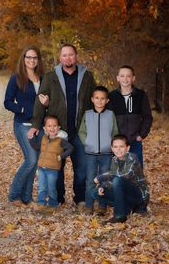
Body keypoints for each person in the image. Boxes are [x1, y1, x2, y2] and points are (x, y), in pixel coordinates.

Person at [31, 44, 96, 207]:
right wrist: (35, 125)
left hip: (80, 131)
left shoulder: (87, 76)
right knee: (56, 168)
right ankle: (58, 198)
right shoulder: (50, 76)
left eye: (71, 55)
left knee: (81, 169)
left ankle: (80, 198)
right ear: (60, 58)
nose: (68, 58)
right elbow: (40, 102)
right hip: (58, 132)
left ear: (76, 56)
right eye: (65, 55)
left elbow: (96, 101)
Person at [4, 46, 46, 206]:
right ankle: (14, 195)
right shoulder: (16, 78)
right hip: (23, 124)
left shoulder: (42, 78)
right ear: (23, 59)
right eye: (28, 57)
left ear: (38, 60)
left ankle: (27, 197)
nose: (31, 60)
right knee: (31, 159)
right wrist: (21, 108)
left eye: (35, 58)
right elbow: (7, 102)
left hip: (40, 124)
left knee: (34, 162)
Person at [79, 86, 118, 214]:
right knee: (90, 179)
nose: (99, 101)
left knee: (104, 179)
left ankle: (102, 205)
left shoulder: (110, 115)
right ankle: (89, 205)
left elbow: (114, 132)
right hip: (90, 153)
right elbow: (82, 132)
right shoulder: (87, 114)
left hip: (106, 153)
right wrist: (87, 142)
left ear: (107, 101)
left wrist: (112, 146)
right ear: (92, 99)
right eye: (97, 98)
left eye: (102, 98)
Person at [92, 134, 149, 223]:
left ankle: (120, 215)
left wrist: (101, 177)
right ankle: (126, 207)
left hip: (138, 196)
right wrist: (103, 186)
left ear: (128, 148)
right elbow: (113, 177)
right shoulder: (114, 160)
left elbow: (124, 175)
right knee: (96, 192)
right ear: (112, 149)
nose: (118, 149)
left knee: (117, 180)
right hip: (125, 193)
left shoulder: (132, 157)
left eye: (121, 146)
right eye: (115, 147)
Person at [108, 65, 153, 167]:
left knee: (136, 173)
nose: (125, 79)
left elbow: (147, 116)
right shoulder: (112, 96)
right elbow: (108, 119)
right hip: (118, 143)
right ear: (118, 78)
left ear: (133, 78)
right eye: (122, 76)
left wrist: (142, 134)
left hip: (134, 141)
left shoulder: (140, 95)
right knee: (118, 173)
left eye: (128, 76)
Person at [29, 115, 74, 213]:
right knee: (41, 187)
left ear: (58, 128)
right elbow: (37, 148)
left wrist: (62, 156)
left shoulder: (60, 140)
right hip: (41, 167)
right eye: (49, 126)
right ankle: (41, 204)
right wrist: (31, 139)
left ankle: (53, 204)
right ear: (45, 128)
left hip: (52, 169)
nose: (52, 128)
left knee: (51, 188)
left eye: (54, 126)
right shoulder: (44, 138)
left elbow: (71, 148)